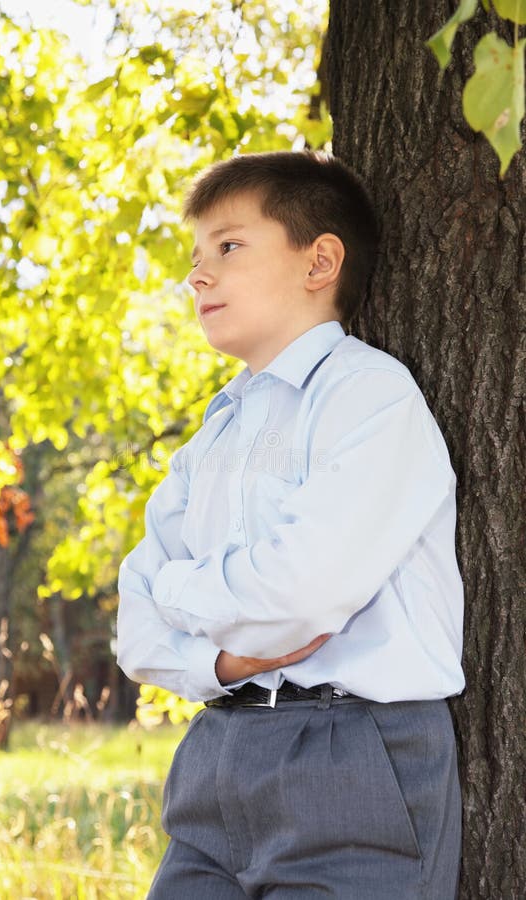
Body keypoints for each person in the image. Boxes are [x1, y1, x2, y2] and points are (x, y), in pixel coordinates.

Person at [117, 151, 464, 899]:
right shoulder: (210, 436)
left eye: (229, 247)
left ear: (320, 262)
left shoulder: (371, 398)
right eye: (196, 256)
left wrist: (178, 592)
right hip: (216, 757)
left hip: (352, 756)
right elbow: (135, 630)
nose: (197, 275)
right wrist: (221, 665)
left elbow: (297, 595)